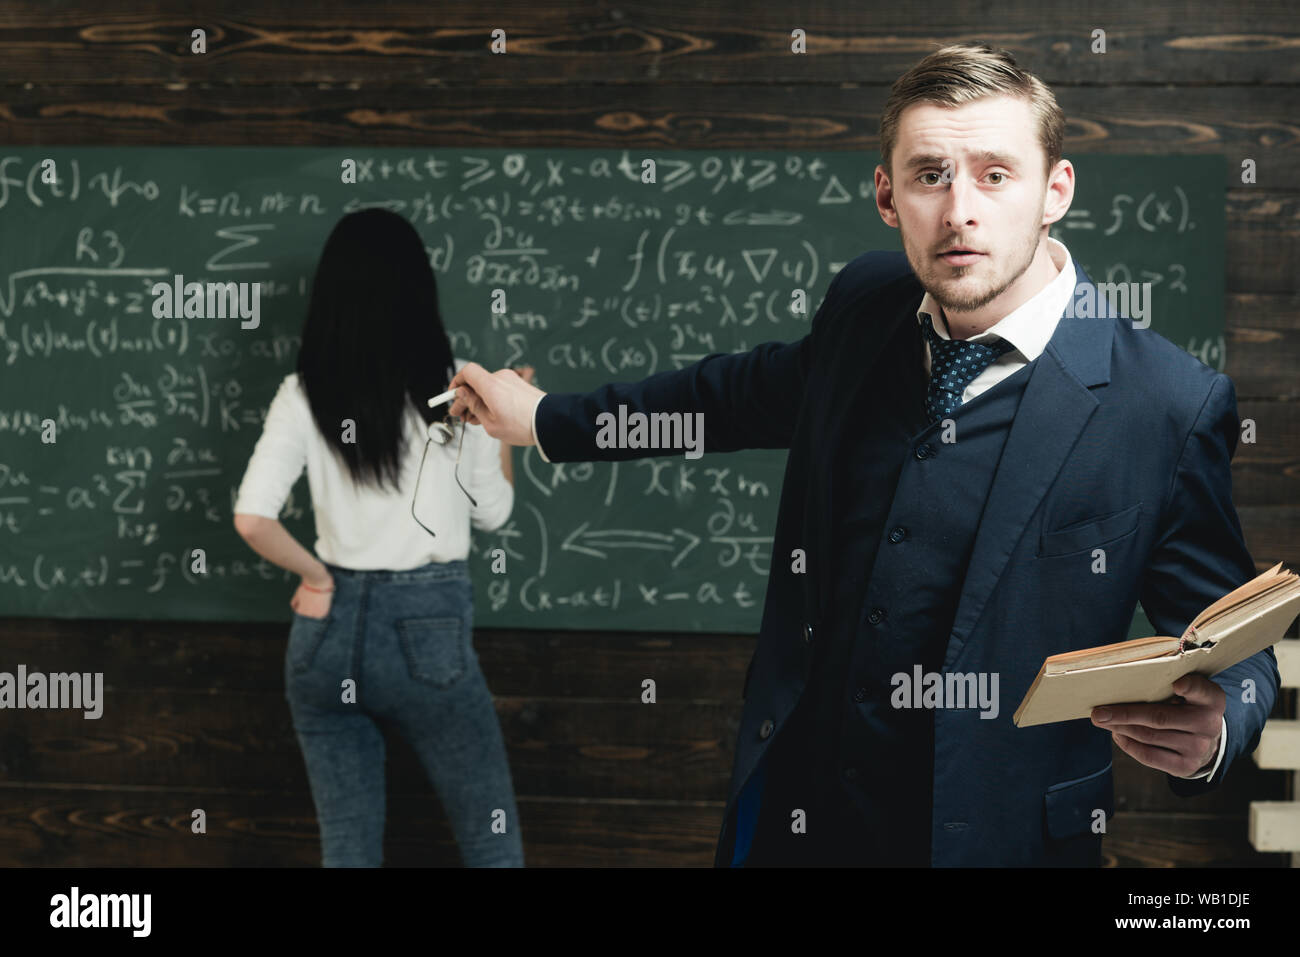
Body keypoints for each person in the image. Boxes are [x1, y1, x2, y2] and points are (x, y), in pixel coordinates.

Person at [444, 43, 1280, 867]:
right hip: (800, 824)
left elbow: (1239, 640)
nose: (960, 210)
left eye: (995, 174)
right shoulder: (864, 306)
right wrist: (548, 419)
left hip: (997, 841)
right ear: (887, 194)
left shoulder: (1165, 403)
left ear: (1053, 190)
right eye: (929, 176)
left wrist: (1217, 728)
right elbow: (726, 398)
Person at [233, 207, 526, 867]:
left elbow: (252, 517)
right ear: (419, 292)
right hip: (429, 633)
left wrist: (315, 576)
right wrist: (506, 426)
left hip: (325, 635)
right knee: (492, 845)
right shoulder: (455, 390)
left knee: (349, 852)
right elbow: (494, 513)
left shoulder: (303, 392)